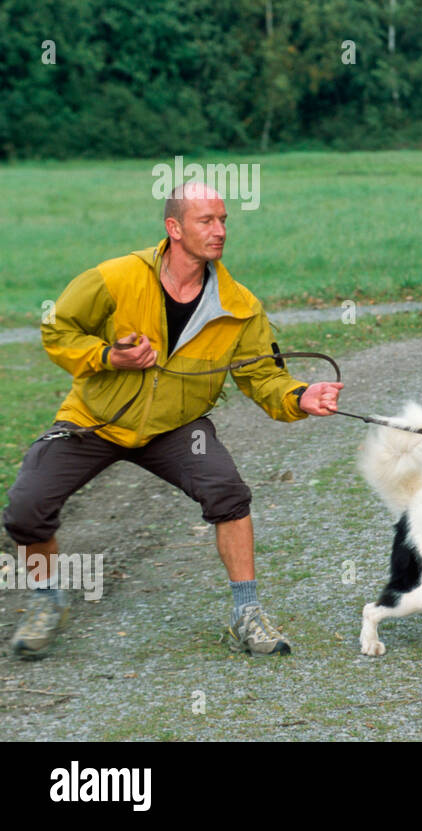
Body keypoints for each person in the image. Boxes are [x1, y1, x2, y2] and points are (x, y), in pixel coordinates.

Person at [2, 181, 343, 659]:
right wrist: (106, 355)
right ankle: (46, 600)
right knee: (26, 506)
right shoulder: (115, 277)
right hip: (97, 419)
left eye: (223, 220)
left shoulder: (239, 305)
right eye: (207, 220)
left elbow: (262, 376)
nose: (220, 230)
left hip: (176, 427)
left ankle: (247, 612)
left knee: (228, 492)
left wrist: (300, 395)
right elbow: (57, 328)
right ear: (174, 227)